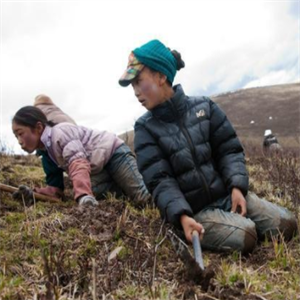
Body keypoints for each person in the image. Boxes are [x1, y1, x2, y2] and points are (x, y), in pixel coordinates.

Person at [118, 39, 297, 254]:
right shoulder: (145, 129)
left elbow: (228, 149)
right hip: (195, 212)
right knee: (246, 235)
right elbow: (159, 181)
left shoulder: (205, 107)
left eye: (139, 81)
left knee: (287, 225)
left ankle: (238, 217)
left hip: (228, 195)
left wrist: (237, 187)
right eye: (133, 85)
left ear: (161, 76)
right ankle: (207, 228)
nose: (136, 91)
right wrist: (182, 216)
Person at [12, 106, 151, 207]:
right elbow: (56, 190)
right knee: (92, 190)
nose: (19, 140)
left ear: (38, 128)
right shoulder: (46, 154)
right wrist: (33, 194)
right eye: (15, 136)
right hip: (99, 169)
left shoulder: (60, 134)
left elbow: (78, 163)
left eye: (20, 133)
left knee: (142, 198)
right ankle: (123, 186)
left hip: (114, 154)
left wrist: (84, 195)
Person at [34, 94, 77, 198]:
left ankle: (55, 187)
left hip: (56, 141)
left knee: (46, 155)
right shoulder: (59, 111)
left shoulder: (38, 112)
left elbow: (39, 134)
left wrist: (38, 151)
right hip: (75, 142)